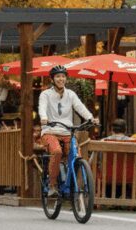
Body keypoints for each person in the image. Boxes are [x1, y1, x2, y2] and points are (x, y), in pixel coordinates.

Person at [38, 65, 97, 197]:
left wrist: (91, 118)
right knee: (57, 152)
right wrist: (44, 118)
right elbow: (42, 107)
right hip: (50, 131)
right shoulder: (45, 94)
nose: (61, 79)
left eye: (63, 76)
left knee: (76, 156)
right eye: (58, 76)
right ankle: (52, 184)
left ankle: (70, 182)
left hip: (67, 132)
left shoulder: (70, 94)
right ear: (52, 79)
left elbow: (80, 107)